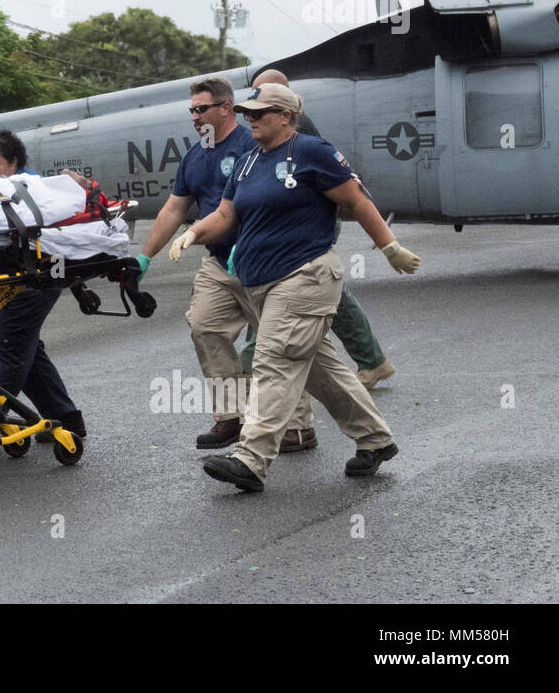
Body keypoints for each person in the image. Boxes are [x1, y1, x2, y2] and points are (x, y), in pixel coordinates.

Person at [169, 83, 419, 491]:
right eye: (248, 113)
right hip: (262, 285)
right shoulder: (250, 161)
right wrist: (193, 233)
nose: (251, 119)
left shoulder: (312, 152)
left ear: (285, 116)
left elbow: (356, 200)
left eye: (260, 113)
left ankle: (249, 459)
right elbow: (226, 213)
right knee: (319, 371)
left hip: (305, 278)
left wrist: (390, 248)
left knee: (271, 363)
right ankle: (376, 440)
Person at [238, 69, 396, 392]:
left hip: (308, 221)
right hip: (297, 222)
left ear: (283, 99)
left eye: (262, 95)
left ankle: (254, 365)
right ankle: (372, 360)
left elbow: (352, 194)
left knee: (279, 288)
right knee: (329, 294)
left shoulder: (296, 130)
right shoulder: (280, 125)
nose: (254, 106)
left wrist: (389, 246)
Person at [135, 78, 259, 450]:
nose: (194, 116)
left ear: (226, 109)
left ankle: (298, 428)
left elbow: (259, 202)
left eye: (200, 108)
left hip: (261, 262)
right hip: (220, 263)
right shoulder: (195, 156)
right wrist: (144, 257)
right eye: (191, 109)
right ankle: (230, 418)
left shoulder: (251, 146)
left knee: (279, 347)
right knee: (205, 327)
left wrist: (249, 239)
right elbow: (175, 208)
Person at [0, 129, 87, 441]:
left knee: (10, 342)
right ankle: (65, 419)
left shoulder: (27, 188)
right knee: (24, 346)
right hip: (23, 272)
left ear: (14, 164)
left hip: (38, 274)